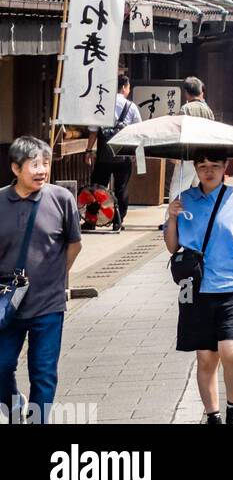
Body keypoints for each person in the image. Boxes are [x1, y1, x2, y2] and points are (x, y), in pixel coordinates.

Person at [165, 149, 233, 424]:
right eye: (202, 166)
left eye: (215, 165)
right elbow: (172, 246)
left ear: (226, 166)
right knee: (206, 358)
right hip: (197, 289)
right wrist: (172, 216)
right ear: (195, 168)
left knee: (231, 352)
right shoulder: (184, 200)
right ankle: (213, 416)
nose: (209, 171)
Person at [0, 136, 82, 424]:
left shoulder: (61, 199)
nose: (42, 170)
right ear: (15, 168)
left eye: (45, 164)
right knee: (1, 366)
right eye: (34, 165)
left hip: (48, 304)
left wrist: (56, 279)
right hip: (7, 305)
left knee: (43, 373)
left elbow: (74, 244)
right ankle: (14, 407)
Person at [83, 72, 141, 232]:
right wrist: (137, 154)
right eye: (128, 87)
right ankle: (118, 221)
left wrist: (88, 151)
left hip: (104, 155)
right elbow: (138, 131)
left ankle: (91, 221)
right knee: (121, 188)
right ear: (124, 88)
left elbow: (93, 132)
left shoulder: (101, 105)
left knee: (97, 187)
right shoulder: (131, 107)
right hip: (124, 155)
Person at [169, 78, 216, 200]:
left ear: (186, 93)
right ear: (200, 92)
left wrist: (174, 154)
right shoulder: (208, 111)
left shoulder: (185, 109)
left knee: (178, 189)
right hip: (204, 155)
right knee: (200, 188)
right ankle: (203, 210)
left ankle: (175, 212)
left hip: (188, 155)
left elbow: (179, 132)